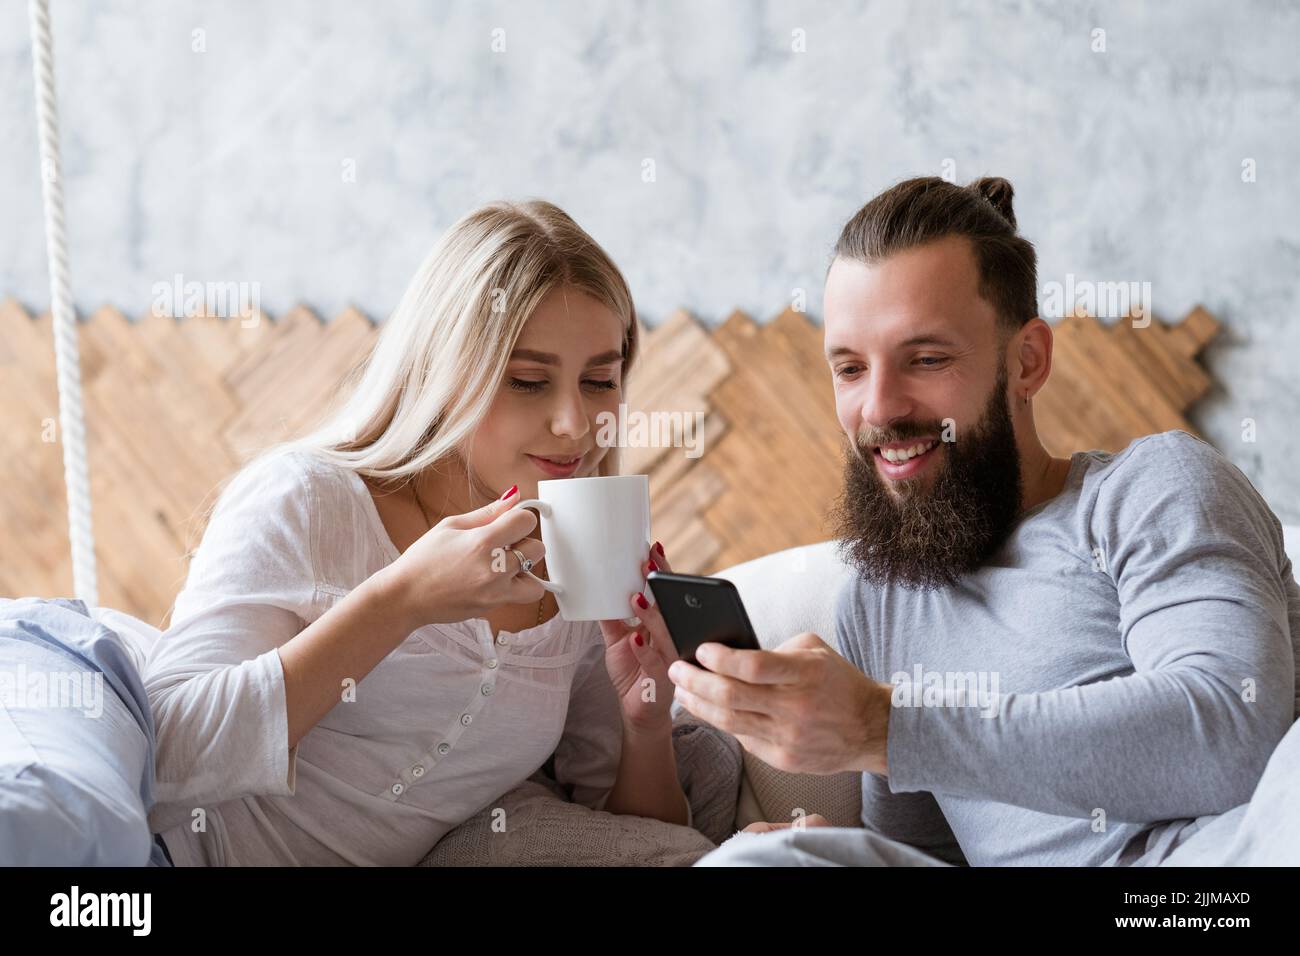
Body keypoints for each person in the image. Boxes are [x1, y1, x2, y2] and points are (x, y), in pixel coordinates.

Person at [683, 176, 1300, 866]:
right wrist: (816, 845)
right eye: (851, 368)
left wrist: (882, 725)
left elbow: (1232, 731)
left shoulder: (1148, 490)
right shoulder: (879, 601)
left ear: (1027, 362)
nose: (880, 409)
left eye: (927, 359)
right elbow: (927, 852)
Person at [139, 200, 697, 865]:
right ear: (440, 368)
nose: (575, 422)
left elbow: (644, 840)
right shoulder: (310, 500)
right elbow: (164, 751)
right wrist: (401, 600)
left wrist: (646, 720)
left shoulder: (584, 563)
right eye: (527, 381)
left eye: (601, 380)